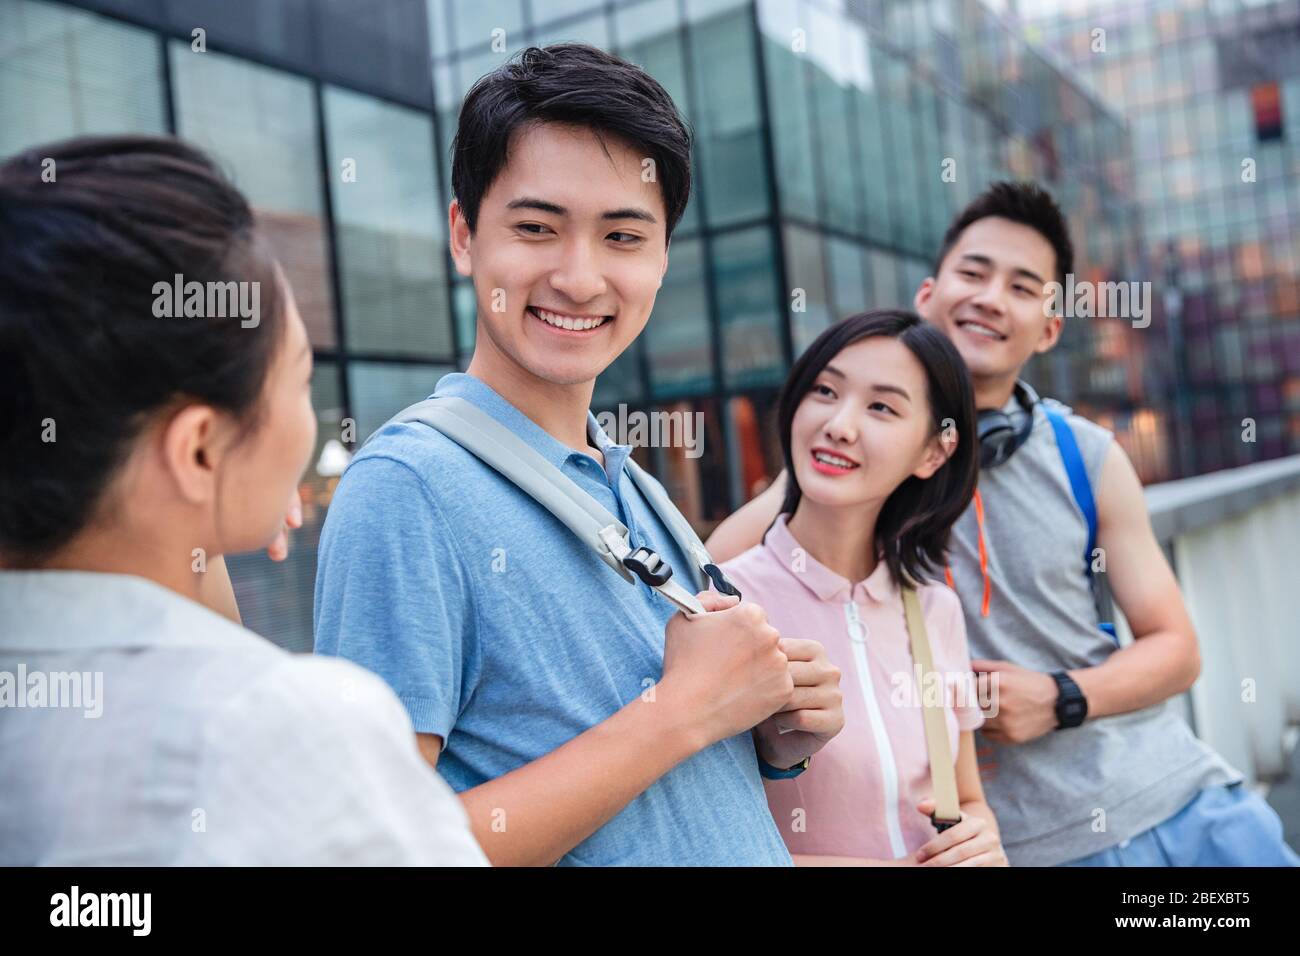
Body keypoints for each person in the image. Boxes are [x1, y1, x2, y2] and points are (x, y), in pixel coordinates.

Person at [313, 44, 844, 867]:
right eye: (536, 228)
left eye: (623, 236)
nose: (580, 277)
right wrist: (682, 712)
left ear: (662, 258)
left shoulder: (628, 484)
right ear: (464, 236)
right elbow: (370, 848)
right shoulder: (408, 488)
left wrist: (768, 729)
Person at [708, 182, 1298, 867]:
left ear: (1049, 328)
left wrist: (1058, 697)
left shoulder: (1086, 454)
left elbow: (1178, 648)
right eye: (973, 272)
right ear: (927, 296)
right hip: (1030, 848)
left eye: (1022, 286)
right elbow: (727, 580)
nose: (989, 296)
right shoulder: (840, 469)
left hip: (1182, 797)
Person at [0, 135, 487, 866]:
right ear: (198, 447)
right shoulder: (291, 732)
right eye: (296, 381)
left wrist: (194, 530)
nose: (305, 420)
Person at [721, 309, 1007, 866]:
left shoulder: (934, 609)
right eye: (825, 391)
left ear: (933, 452)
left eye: (881, 406)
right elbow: (702, 846)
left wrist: (979, 840)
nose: (840, 424)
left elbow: (967, 797)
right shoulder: (729, 604)